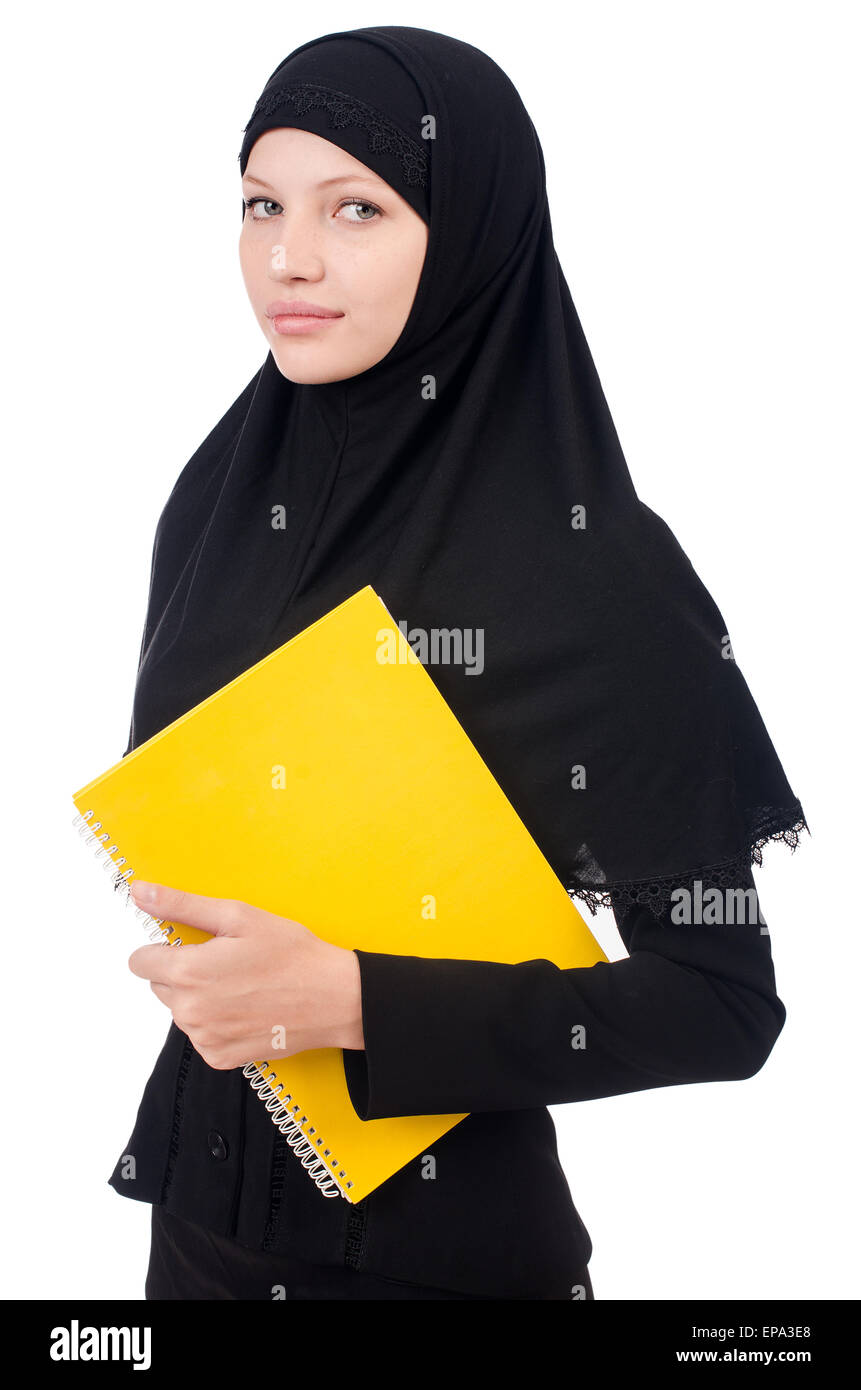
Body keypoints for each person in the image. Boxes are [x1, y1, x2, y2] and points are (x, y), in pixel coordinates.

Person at [107, 25, 809, 1301]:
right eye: (261, 203)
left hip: (439, 1273)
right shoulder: (219, 493)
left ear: (471, 232)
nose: (289, 258)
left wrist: (361, 1000)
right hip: (191, 1243)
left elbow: (723, 1002)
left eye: (357, 208)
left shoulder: (597, 571)